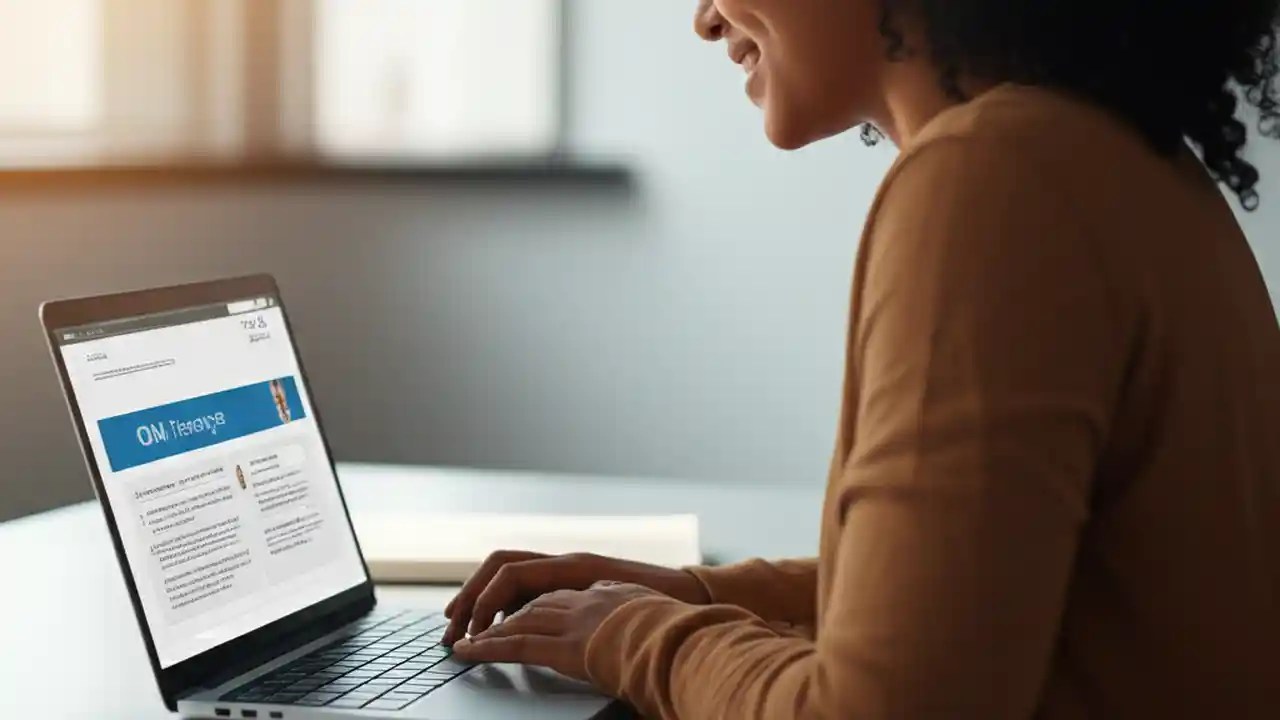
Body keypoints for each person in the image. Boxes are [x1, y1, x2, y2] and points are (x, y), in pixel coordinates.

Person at [446, 1, 1280, 717]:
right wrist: (694, 594)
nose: (703, 18)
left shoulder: (994, 181)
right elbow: (980, 599)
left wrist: (631, 635)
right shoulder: (1121, 160)